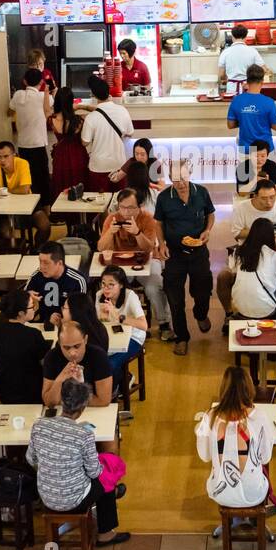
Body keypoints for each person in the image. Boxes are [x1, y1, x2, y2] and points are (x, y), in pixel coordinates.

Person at [27, 377, 129, 546]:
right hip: (74, 500)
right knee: (106, 476)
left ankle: (113, 494)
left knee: (100, 476)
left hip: (46, 496)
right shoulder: (84, 435)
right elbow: (94, 472)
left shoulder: (39, 425)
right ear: (82, 408)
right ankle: (106, 533)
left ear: (61, 401)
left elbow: (31, 459)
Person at [195, 366, 276, 521]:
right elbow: (265, 458)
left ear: (223, 389)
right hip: (254, 492)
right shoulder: (259, 417)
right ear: (249, 388)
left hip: (221, 492)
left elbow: (205, 456)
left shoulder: (210, 417)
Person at [154, 164, 215, 355]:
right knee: (175, 298)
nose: (180, 183)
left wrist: (207, 230)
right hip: (174, 254)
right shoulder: (164, 198)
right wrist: (161, 244)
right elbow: (159, 222)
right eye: (175, 179)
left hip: (198, 252)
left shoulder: (202, 192)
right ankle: (181, 337)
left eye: (183, 177)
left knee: (203, 290)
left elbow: (210, 214)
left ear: (190, 173)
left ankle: (201, 313)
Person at [97, 188, 170, 340]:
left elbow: (149, 248)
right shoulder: (112, 218)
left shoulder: (147, 218)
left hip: (146, 260)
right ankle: (113, 321)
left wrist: (137, 233)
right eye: (122, 207)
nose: (126, 212)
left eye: (131, 208)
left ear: (139, 206)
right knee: (110, 286)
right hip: (120, 264)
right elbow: (101, 248)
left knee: (154, 286)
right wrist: (110, 232)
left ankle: (164, 324)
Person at [0, 141, 51, 247]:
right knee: (5, 233)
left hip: (27, 205)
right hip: (3, 209)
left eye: (6, 156)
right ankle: (12, 254)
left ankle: (36, 248)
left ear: (14, 155)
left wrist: (5, 191)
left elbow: (24, 189)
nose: (2, 160)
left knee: (45, 225)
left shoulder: (22, 164)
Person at [0, 290, 49, 405]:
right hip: (31, 390)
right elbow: (45, 362)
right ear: (21, 313)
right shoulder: (33, 334)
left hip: (4, 389)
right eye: (32, 306)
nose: (35, 309)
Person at [229, 63, 276, 190]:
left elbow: (230, 125)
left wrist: (243, 120)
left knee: (246, 188)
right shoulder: (269, 102)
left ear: (246, 80)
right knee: (267, 186)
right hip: (264, 151)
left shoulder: (237, 100)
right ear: (262, 81)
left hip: (245, 150)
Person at [41, 321, 114, 408]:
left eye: (77, 346)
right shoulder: (51, 357)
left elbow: (103, 400)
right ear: (60, 343)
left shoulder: (99, 356)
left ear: (85, 340)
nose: (72, 353)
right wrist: (59, 379)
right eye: (66, 347)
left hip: (92, 410)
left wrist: (65, 399)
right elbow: (48, 402)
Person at [229, 219, 276, 320]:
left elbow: (233, 270)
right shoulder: (273, 255)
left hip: (239, 305)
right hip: (265, 309)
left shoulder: (238, 252)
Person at [80, 75, 132, 192]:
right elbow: (130, 133)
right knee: (119, 201)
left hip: (98, 166)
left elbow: (85, 142)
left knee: (99, 203)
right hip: (119, 165)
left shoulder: (91, 118)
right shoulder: (123, 110)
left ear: (93, 95)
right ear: (109, 93)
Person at [10, 68, 53, 208]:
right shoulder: (43, 97)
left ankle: (30, 210)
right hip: (39, 145)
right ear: (41, 82)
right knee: (43, 180)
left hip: (22, 146)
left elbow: (10, 110)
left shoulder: (17, 95)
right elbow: (51, 107)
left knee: (27, 179)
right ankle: (46, 211)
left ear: (24, 81)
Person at [97, 265, 148, 386]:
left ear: (121, 285)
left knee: (110, 364)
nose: (106, 288)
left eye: (111, 284)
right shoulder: (99, 295)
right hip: (111, 336)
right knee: (95, 359)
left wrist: (119, 317)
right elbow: (98, 323)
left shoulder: (130, 296)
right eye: (103, 284)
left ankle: (113, 392)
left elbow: (144, 325)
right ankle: (124, 378)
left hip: (133, 338)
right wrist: (102, 317)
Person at [25, 242, 90, 328]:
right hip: (43, 324)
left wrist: (61, 322)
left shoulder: (77, 280)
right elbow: (19, 300)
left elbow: (80, 313)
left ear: (59, 263)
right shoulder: (37, 275)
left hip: (69, 326)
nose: (41, 267)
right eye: (40, 261)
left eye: (46, 263)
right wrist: (26, 296)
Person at [49, 86, 90, 200]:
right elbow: (98, 110)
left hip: (60, 156)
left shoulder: (51, 119)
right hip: (77, 155)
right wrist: (81, 106)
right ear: (71, 101)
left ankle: (61, 213)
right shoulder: (79, 120)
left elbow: (47, 110)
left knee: (61, 182)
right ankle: (79, 214)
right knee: (79, 182)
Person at [109, 137, 169, 211]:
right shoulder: (131, 162)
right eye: (136, 154)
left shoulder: (155, 164)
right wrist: (114, 175)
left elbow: (162, 187)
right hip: (131, 194)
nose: (139, 157)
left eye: (142, 154)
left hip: (148, 195)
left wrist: (147, 184)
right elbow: (116, 178)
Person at [229, 178, 276, 244]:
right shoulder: (241, 208)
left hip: (274, 249)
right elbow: (236, 233)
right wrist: (261, 231)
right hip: (248, 248)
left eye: (272, 197)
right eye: (264, 198)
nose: (269, 202)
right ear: (255, 196)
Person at [217, 25, 265, 92]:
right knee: (248, 102)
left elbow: (221, 74)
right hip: (248, 87)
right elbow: (263, 69)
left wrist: (225, 79)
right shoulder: (252, 51)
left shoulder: (225, 52)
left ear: (232, 37)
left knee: (235, 102)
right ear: (246, 37)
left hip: (231, 89)